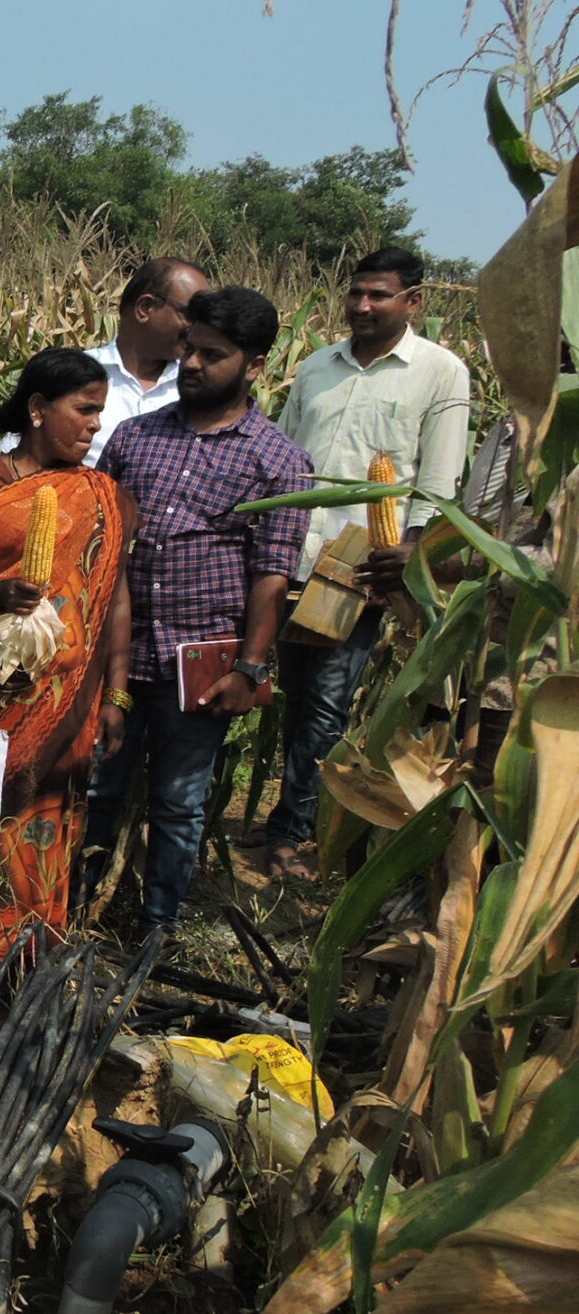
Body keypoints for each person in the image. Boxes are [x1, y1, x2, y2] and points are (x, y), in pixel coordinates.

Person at [82, 287, 312, 941]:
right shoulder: (135, 436)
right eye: (190, 347)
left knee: (179, 805)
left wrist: (248, 667)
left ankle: (156, 929)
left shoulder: (279, 463)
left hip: (200, 665)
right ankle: (68, 910)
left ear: (256, 366)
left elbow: (272, 575)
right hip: (120, 650)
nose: (192, 364)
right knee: (96, 786)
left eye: (214, 355)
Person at [0, 349, 136, 986]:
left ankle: (21, 964)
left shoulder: (106, 496)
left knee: (43, 823)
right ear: (39, 409)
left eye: (100, 411)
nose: (95, 424)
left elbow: (116, 596)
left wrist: (115, 697)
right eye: (84, 409)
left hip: (66, 702)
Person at [261, 246, 470, 881]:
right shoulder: (318, 366)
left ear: (414, 302)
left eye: (378, 295)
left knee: (327, 701)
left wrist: (410, 549)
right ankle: (288, 822)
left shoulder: (440, 372)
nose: (362, 306)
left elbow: (439, 477)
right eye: (356, 293)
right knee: (295, 695)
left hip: (363, 566)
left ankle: (297, 833)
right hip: (299, 555)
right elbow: (285, 455)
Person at [83, 257, 210, 464]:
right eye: (191, 314)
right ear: (145, 308)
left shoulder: (203, 388)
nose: (197, 328)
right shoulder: (72, 374)